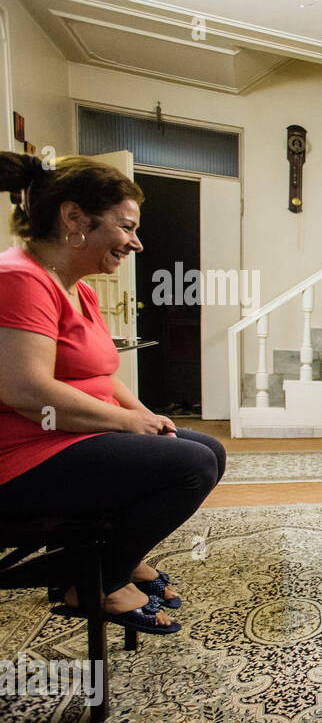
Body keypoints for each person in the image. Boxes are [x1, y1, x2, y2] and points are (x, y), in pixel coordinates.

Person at [0, 151, 226, 633]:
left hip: (68, 440)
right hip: (23, 455)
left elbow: (102, 375)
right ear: (74, 218)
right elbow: (25, 390)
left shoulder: (75, 286)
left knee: (202, 446)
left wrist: (149, 419)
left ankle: (116, 557)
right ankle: (96, 580)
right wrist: (126, 424)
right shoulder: (20, 279)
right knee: (193, 465)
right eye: (126, 227)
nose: (137, 243)